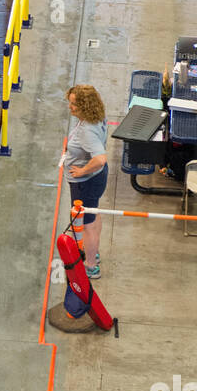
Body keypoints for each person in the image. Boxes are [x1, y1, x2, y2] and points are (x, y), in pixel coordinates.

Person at [64, 85, 108, 279]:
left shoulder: (87, 131)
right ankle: (94, 253)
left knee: (87, 224)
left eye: (74, 104)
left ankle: (90, 265)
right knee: (93, 213)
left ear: (84, 105)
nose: (70, 107)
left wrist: (81, 170)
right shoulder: (95, 116)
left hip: (86, 182)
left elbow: (100, 159)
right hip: (96, 179)